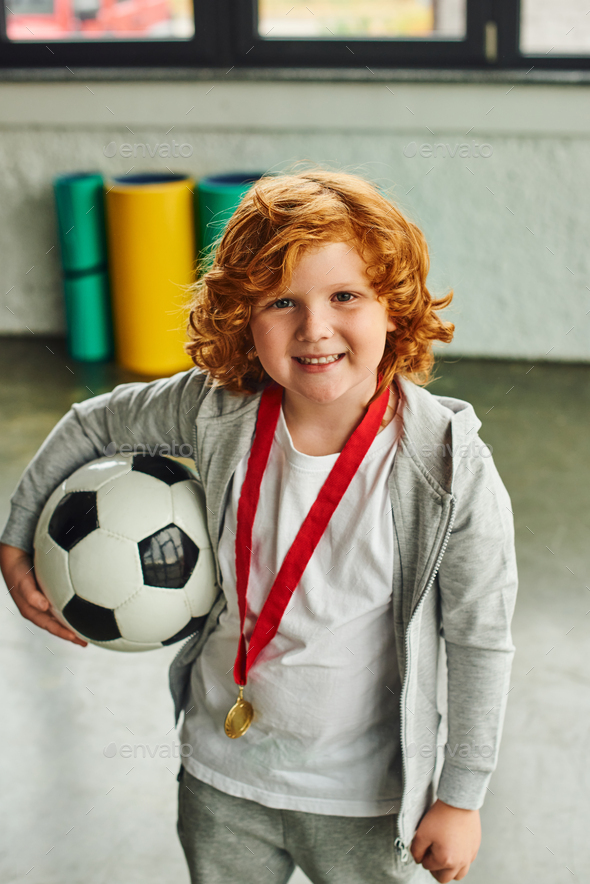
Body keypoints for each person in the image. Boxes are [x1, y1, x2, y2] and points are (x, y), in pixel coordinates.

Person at [0, 170, 518, 884]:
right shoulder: (219, 410)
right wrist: (16, 533)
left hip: (367, 800)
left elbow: (479, 637)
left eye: (346, 296)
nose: (315, 329)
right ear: (244, 315)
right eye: (282, 301)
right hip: (222, 776)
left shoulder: (448, 466)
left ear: (393, 307)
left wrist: (461, 797)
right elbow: (95, 420)